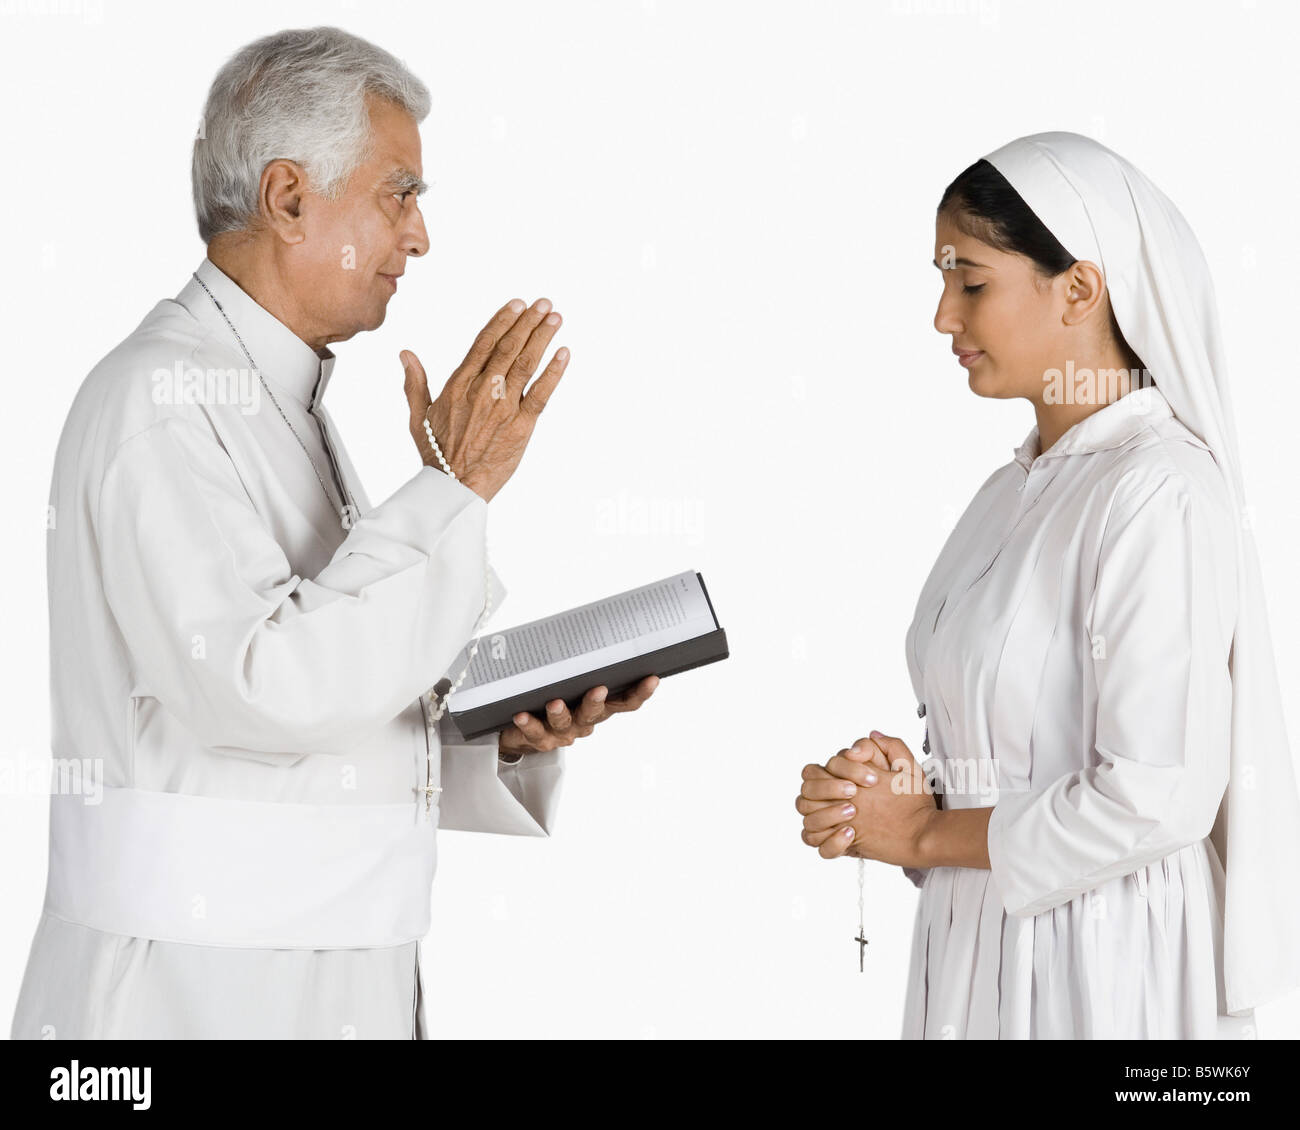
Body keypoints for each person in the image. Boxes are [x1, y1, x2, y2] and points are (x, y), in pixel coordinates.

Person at [10, 26, 657, 1040]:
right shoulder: (161, 399)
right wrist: (449, 488)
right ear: (287, 197)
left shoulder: (278, 402)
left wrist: (500, 735)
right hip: (190, 994)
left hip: (316, 975)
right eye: (399, 191)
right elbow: (260, 686)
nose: (419, 236)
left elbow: (330, 704)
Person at [796, 131, 1300, 1039]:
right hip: (977, 947)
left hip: (1108, 969)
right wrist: (902, 788)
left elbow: (1155, 795)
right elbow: (1020, 749)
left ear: (1079, 287)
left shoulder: (1159, 494)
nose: (943, 317)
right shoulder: (1012, 491)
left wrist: (916, 833)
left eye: (972, 281)